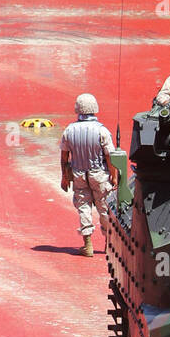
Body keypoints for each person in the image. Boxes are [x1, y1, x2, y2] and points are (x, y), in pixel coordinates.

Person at [60, 94, 118, 258]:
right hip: (99, 173)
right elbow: (109, 155)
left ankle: (87, 244)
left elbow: (64, 158)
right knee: (104, 208)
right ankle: (109, 244)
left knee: (83, 206)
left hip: (78, 173)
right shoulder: (102, 131)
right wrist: (113, 176)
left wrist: (64, 177)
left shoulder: (69, 130)